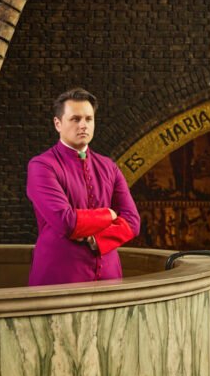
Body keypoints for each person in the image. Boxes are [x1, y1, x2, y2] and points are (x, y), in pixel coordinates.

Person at [26, 88, 140, 286]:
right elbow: (66, 221)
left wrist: (96, 240)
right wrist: (110, 215)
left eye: (89, 119)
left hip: (109, 277)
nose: (83, 126)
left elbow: (132, 222)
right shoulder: (41, 165)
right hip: (60, 277)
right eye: (75, 119)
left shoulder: (109, 166)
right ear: (58, 124)